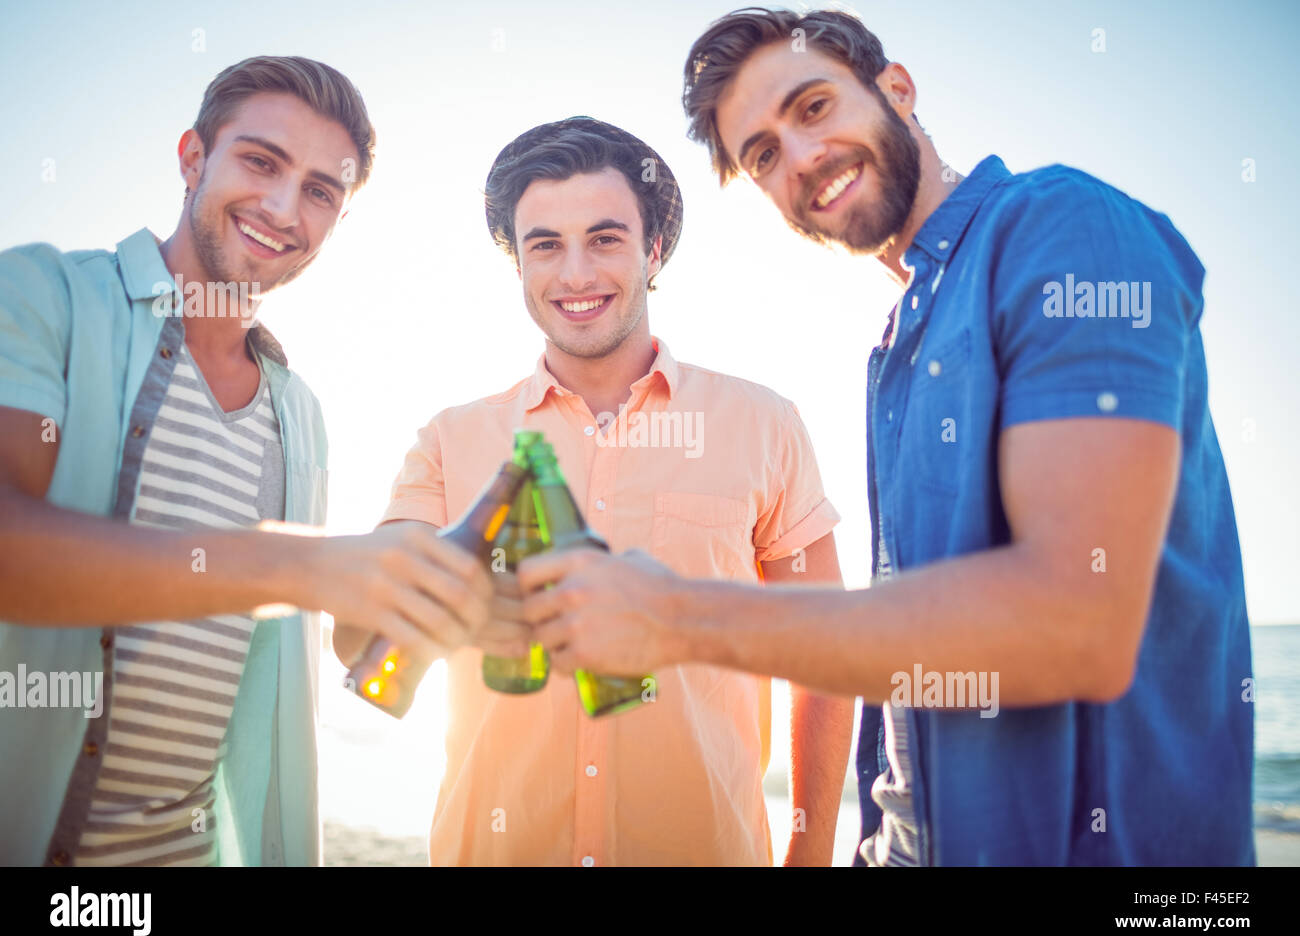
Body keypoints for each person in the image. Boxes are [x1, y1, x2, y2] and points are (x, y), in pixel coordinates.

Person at [515, 9, 1254, 866]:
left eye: (815, 107)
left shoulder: (1063, 227)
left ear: (897, 90)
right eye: (761, 153)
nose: (799, 157)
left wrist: (677, 615)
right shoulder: (899, 344)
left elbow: (1076, 623)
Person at [0, 56, 506, 866]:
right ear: (193, 158)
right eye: (261, 162)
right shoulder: (39, 294)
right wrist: (299, 566)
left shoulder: (299, 413)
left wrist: (425, 603)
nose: (282, 207)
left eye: (319, 191)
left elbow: (304, 641)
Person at [335, 116, 854, 866]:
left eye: (605, 239)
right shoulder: (450, 439)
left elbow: (825, 652)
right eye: (544, 245)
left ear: (654, 250)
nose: (575, 273)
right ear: (517, 265)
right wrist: (413, 602)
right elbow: (363, 636)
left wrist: (809, 855)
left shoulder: (764, 424)